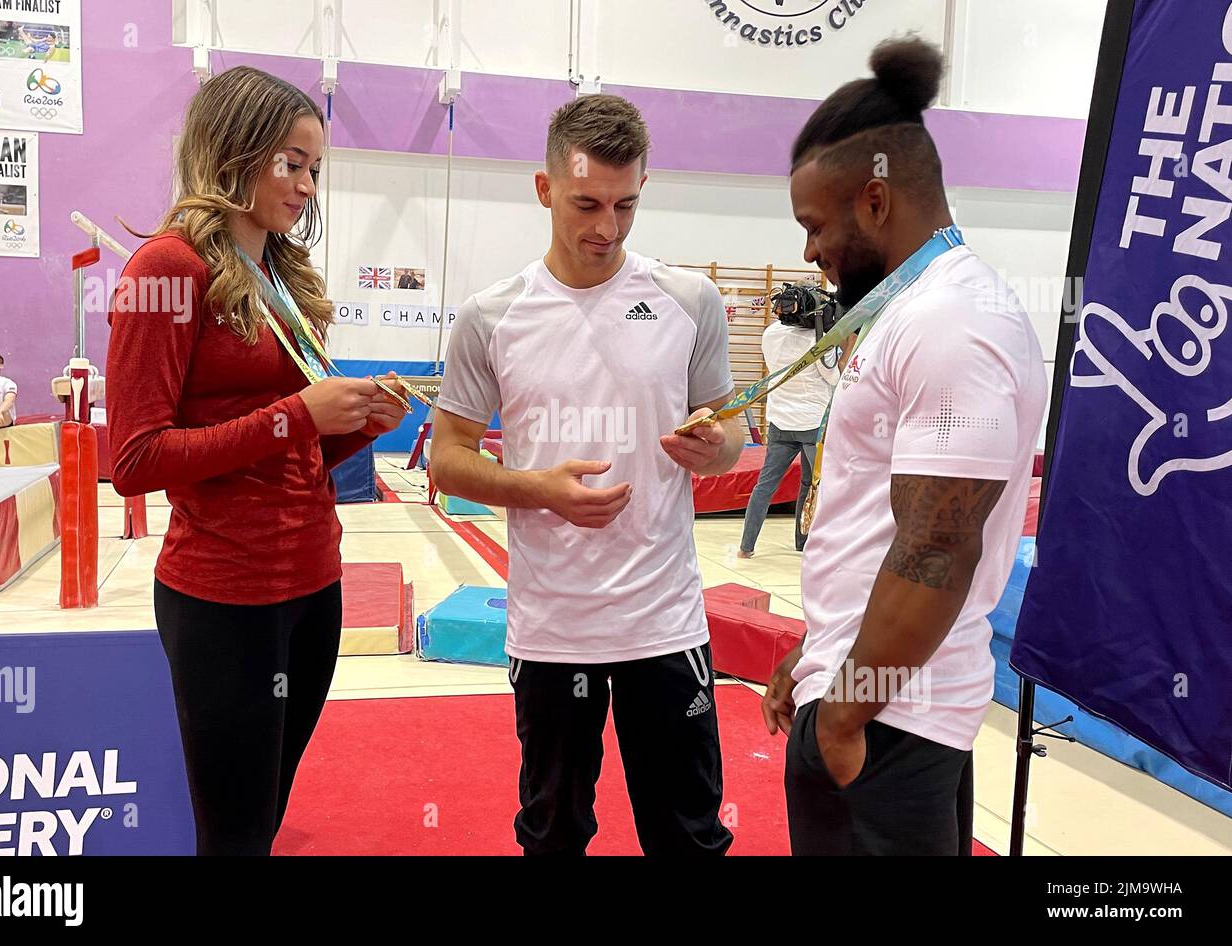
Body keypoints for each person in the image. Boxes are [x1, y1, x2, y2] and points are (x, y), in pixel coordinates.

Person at [106, 66, 407, 856]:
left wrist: (355, 424)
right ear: (234, 149)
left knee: (261, 821)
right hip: (226, 596)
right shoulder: (166, 268)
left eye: (315, 169)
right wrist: (293, 416)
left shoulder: (279, 271)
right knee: (234, 837)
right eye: (292, 163)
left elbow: (289, 446)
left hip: (315, 584)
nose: (308, 185)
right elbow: (134, 459)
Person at [431, 94, 742, 856]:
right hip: (553, 629)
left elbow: (732, 430)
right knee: (553, 832)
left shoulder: (687, 300)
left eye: (626, 204)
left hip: (663, 622)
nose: (606, 227)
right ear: (544, 190)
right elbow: (446, 461)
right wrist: (540, 490)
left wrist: (720, 447)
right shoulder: (491, 315)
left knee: (689, 834)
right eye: (586, 204)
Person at [761, 37, 1047, 856]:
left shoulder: (950, 323)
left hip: (890, 722)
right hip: (884, 701)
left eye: (815, 226)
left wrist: (847, 714)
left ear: (877, 202)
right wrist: (819, 660)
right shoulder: (918, 311)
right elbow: (874, 527)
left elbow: (938, 550)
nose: (808, 253)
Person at [737, 287, 840, 558]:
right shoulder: (821, 341)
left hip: (780, 420)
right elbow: (833, 378)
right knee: (811, 484)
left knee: (765, 485)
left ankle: (746, 547)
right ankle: (804, 543)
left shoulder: (770, 334)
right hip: (812, 422)